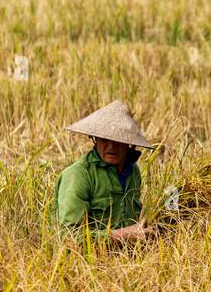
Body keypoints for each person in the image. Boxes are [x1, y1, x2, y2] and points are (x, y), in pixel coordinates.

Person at [52, 100, 155, 244]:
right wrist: (123, 235)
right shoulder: (78, 175)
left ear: (129, 143)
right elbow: (69, 238)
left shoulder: (133, 172)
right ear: (95, 139)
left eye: (119, 140)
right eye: (105, 139)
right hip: (87, 264)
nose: (111, 146)